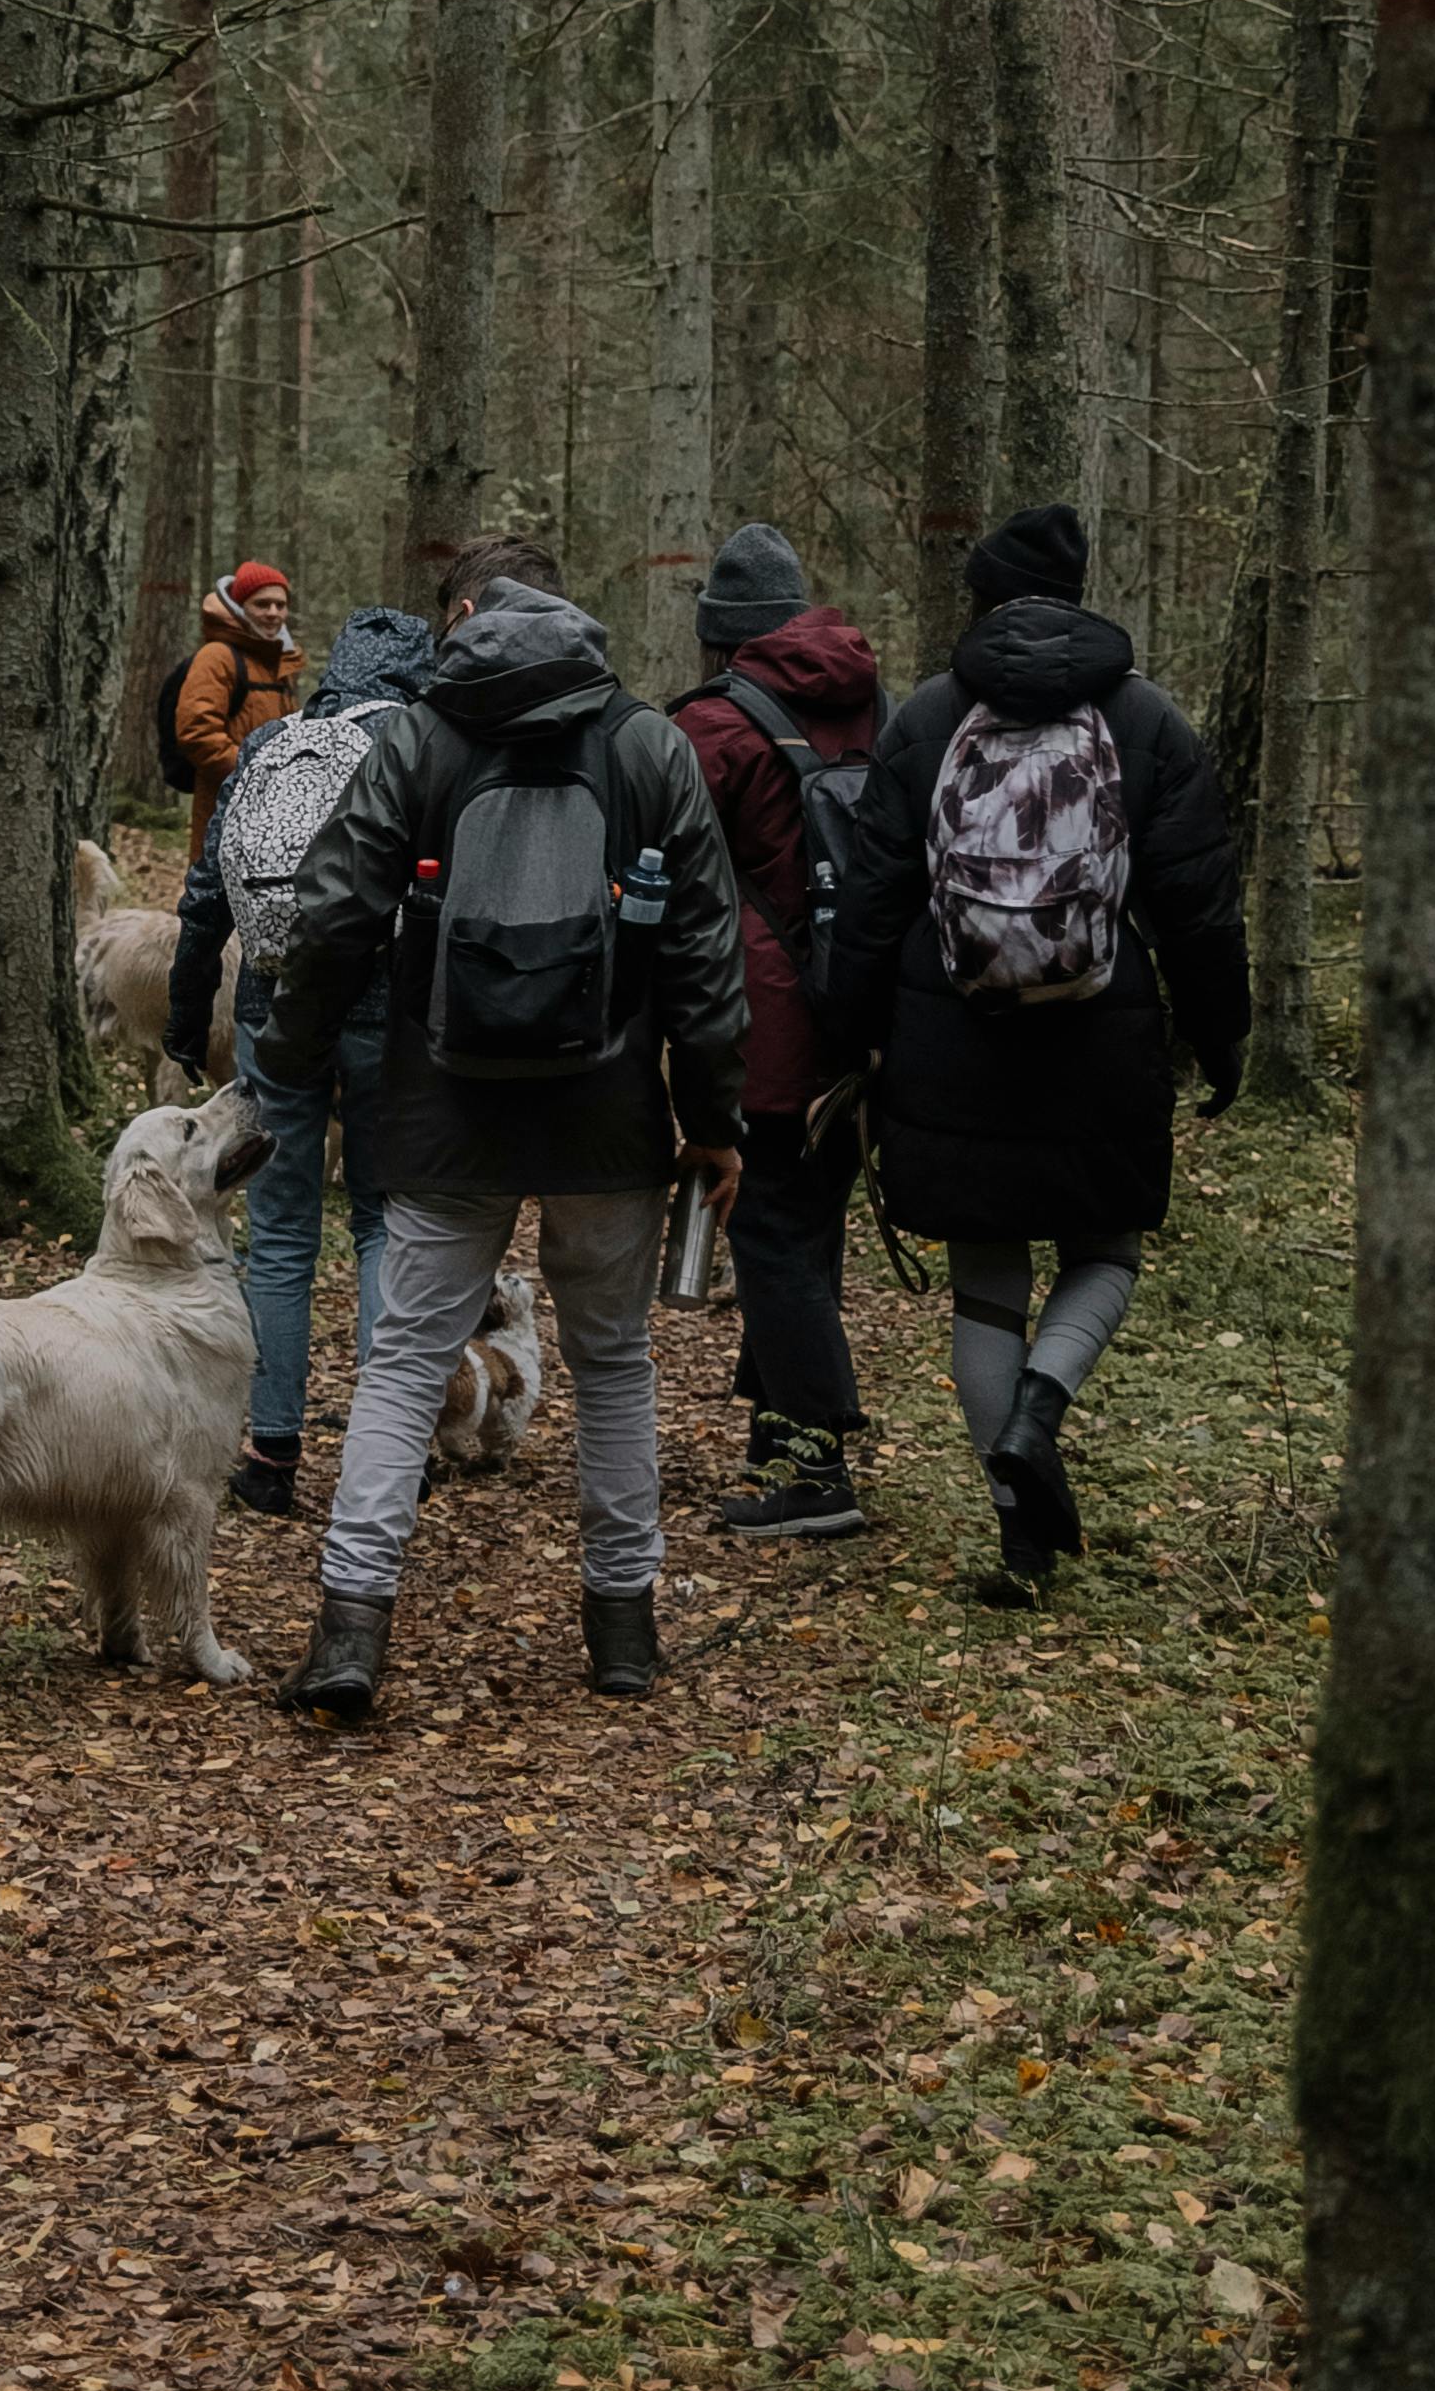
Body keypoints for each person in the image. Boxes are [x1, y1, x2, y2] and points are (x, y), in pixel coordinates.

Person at [257, 536, 748, 1719]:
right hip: (608, 1108)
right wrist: (711, 1116)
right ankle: (621, 1628)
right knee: (612, 1362)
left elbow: (332, 914)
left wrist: (292, 1059)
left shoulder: (418, 737)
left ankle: (350, 1630)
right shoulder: (646, 745)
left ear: (469, 619)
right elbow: (702, 949)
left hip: (444, 1106)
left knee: (400, 1364)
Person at [819, 501, 1244, 1605]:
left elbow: (871, 899)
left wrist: (849, 1036)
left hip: (948, 1032)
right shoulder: (1144, 718)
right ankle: (1039, 1411)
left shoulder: (928, 715)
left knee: (985, 1283)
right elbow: (1196, 903)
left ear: (980, 600)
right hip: (1100, 1034)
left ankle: (1019, 1539)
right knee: (1105, 1252)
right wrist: (1221, 1036)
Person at [164, 603, 437, 1515]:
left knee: (280, 1231)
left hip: (271, 1002)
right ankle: (390, 1447)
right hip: (386, 1006)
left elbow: (207, 892)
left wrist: (184, 1013)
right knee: (381, 1219)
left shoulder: (275, 743)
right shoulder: (422, 749)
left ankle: (270, 1452)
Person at [671, 521, 886, 1541]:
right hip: (855, 1008)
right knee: (808, 1224)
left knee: (764, 1230)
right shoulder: (874, 706)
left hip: (762, 1018)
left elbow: (667, 866)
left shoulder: (713, 724)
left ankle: (814, 1465)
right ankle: (780, 1439)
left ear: (722, 633)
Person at [173, 560, 302, 858]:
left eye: (280, 605)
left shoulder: (279, 662)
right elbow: (197, 733)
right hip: (222, 810)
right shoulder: (217, 657)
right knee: (218, 883)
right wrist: (254, 774)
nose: (273, 613)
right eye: (262, 604)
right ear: (240, 607)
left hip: (270, 813)